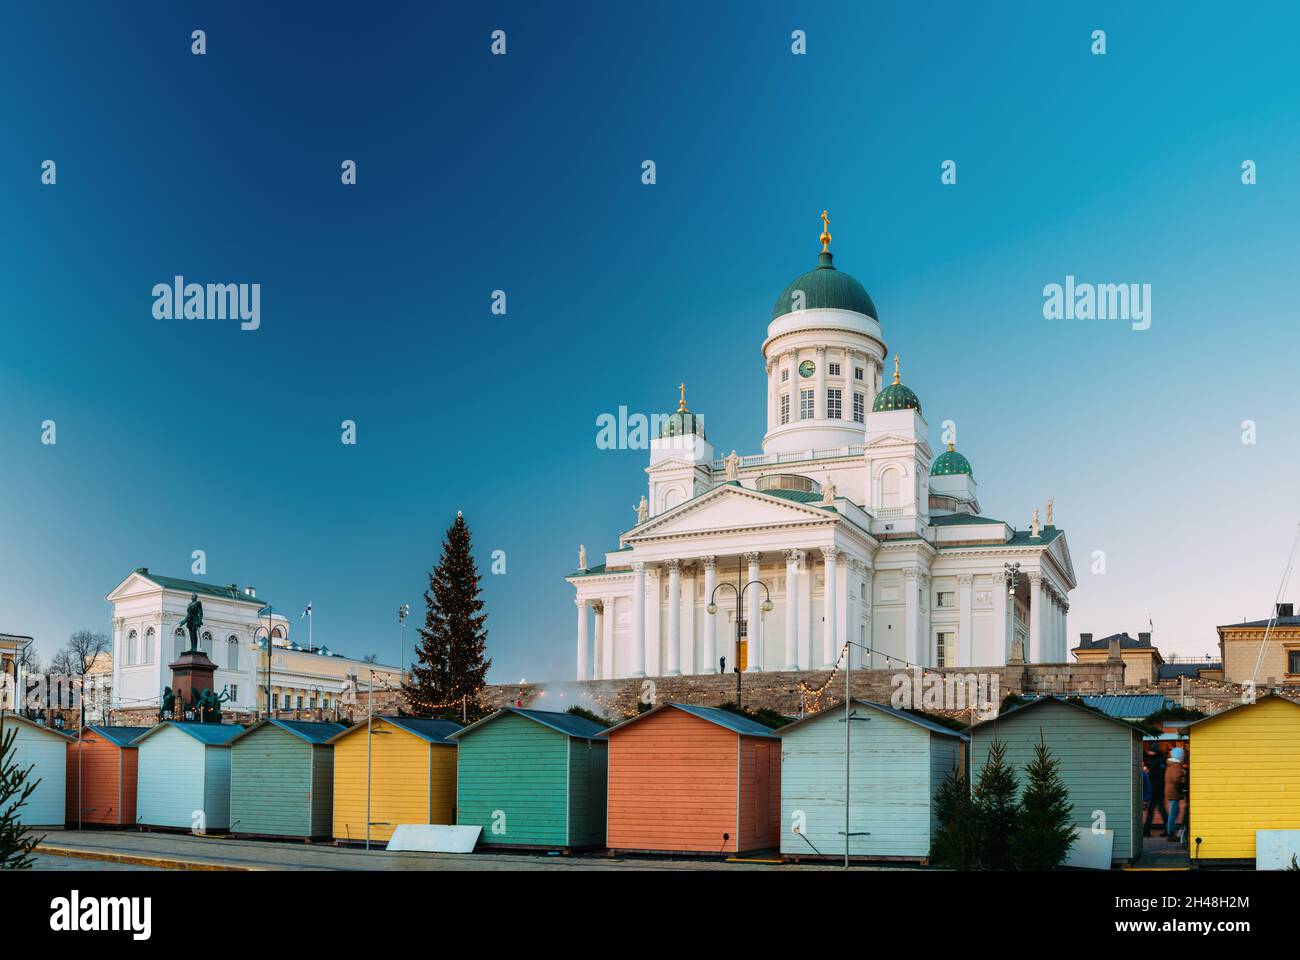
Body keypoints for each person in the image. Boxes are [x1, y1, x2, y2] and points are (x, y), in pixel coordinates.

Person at [1164, 746, 1187, 841]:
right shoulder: (1176, 766)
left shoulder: (1171, 765)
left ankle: (1171, 831)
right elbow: (1177, 779)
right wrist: (1183, 785)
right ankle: (1170, 833)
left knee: (1174, 812)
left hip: (1170, 790)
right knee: (1173, 813)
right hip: (1174, 791)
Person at [1144, 744, 1167, 836]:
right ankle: (1168, 830)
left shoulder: (1157, 761)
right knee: (1159, 810)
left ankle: (1147, 831)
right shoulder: (1161, 760)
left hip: (1156, 789)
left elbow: (1156, 776)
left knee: (1154, 811)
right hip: (1159, 789)